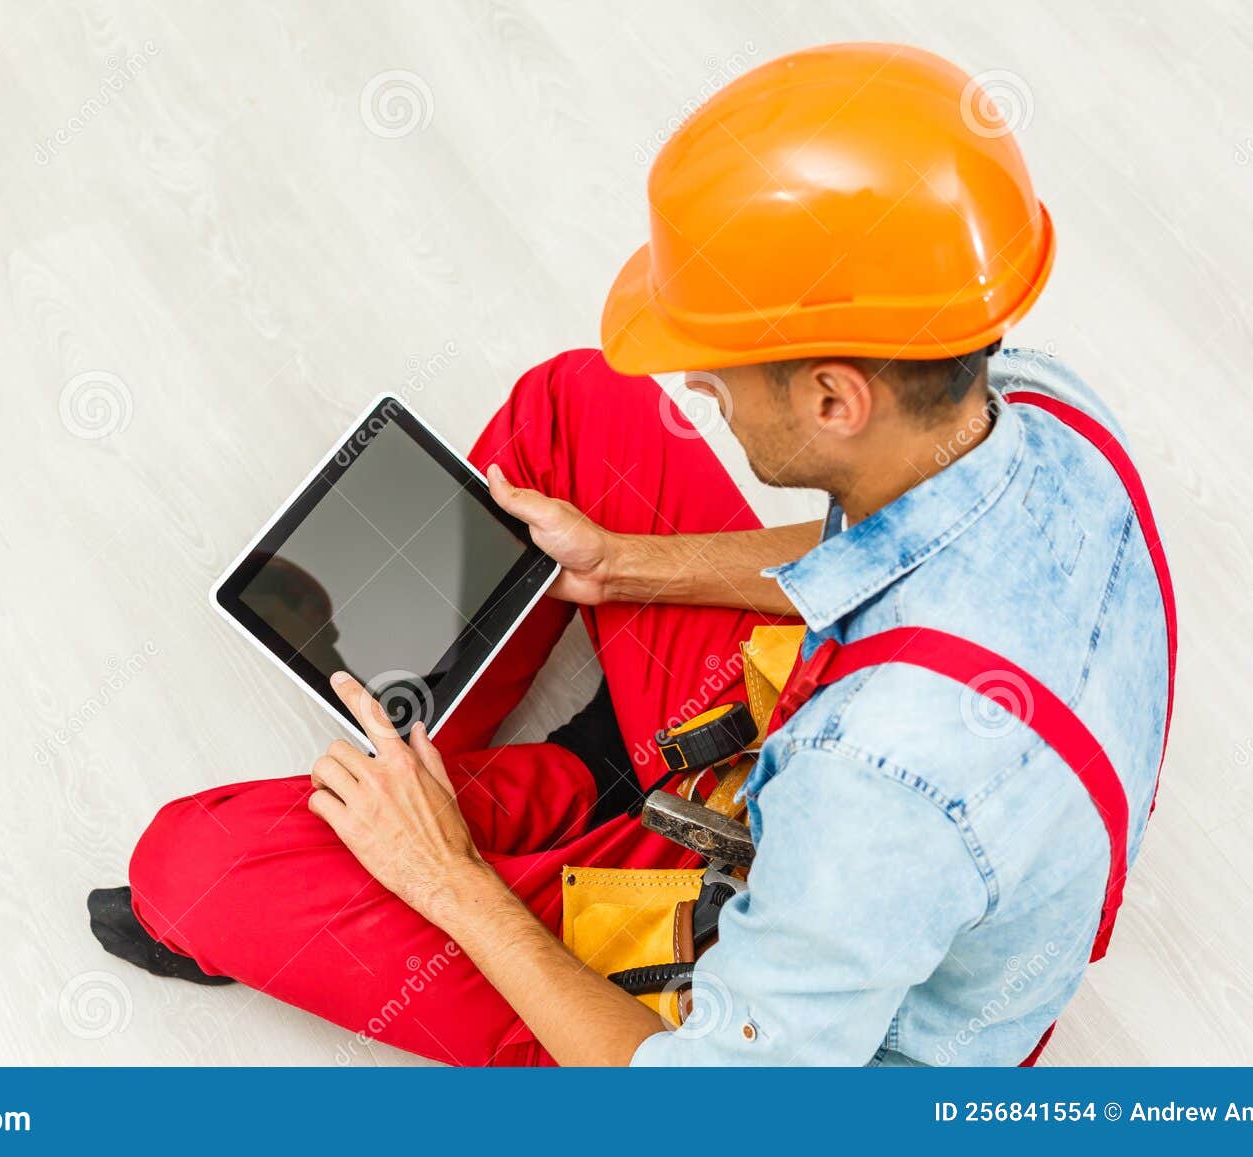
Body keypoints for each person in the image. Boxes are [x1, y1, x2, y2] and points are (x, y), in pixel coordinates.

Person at [89, 43, 1172, 1066]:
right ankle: (511, 767)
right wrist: (623, 565)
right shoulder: (1041, 411)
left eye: (719, 366)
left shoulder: (875, 796)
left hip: (769, 948)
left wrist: (448, 875)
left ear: (835, 398)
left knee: (191, 867)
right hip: (797, 748)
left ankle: (505, 805)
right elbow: (890, 553)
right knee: (577, 403)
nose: (697, 384)